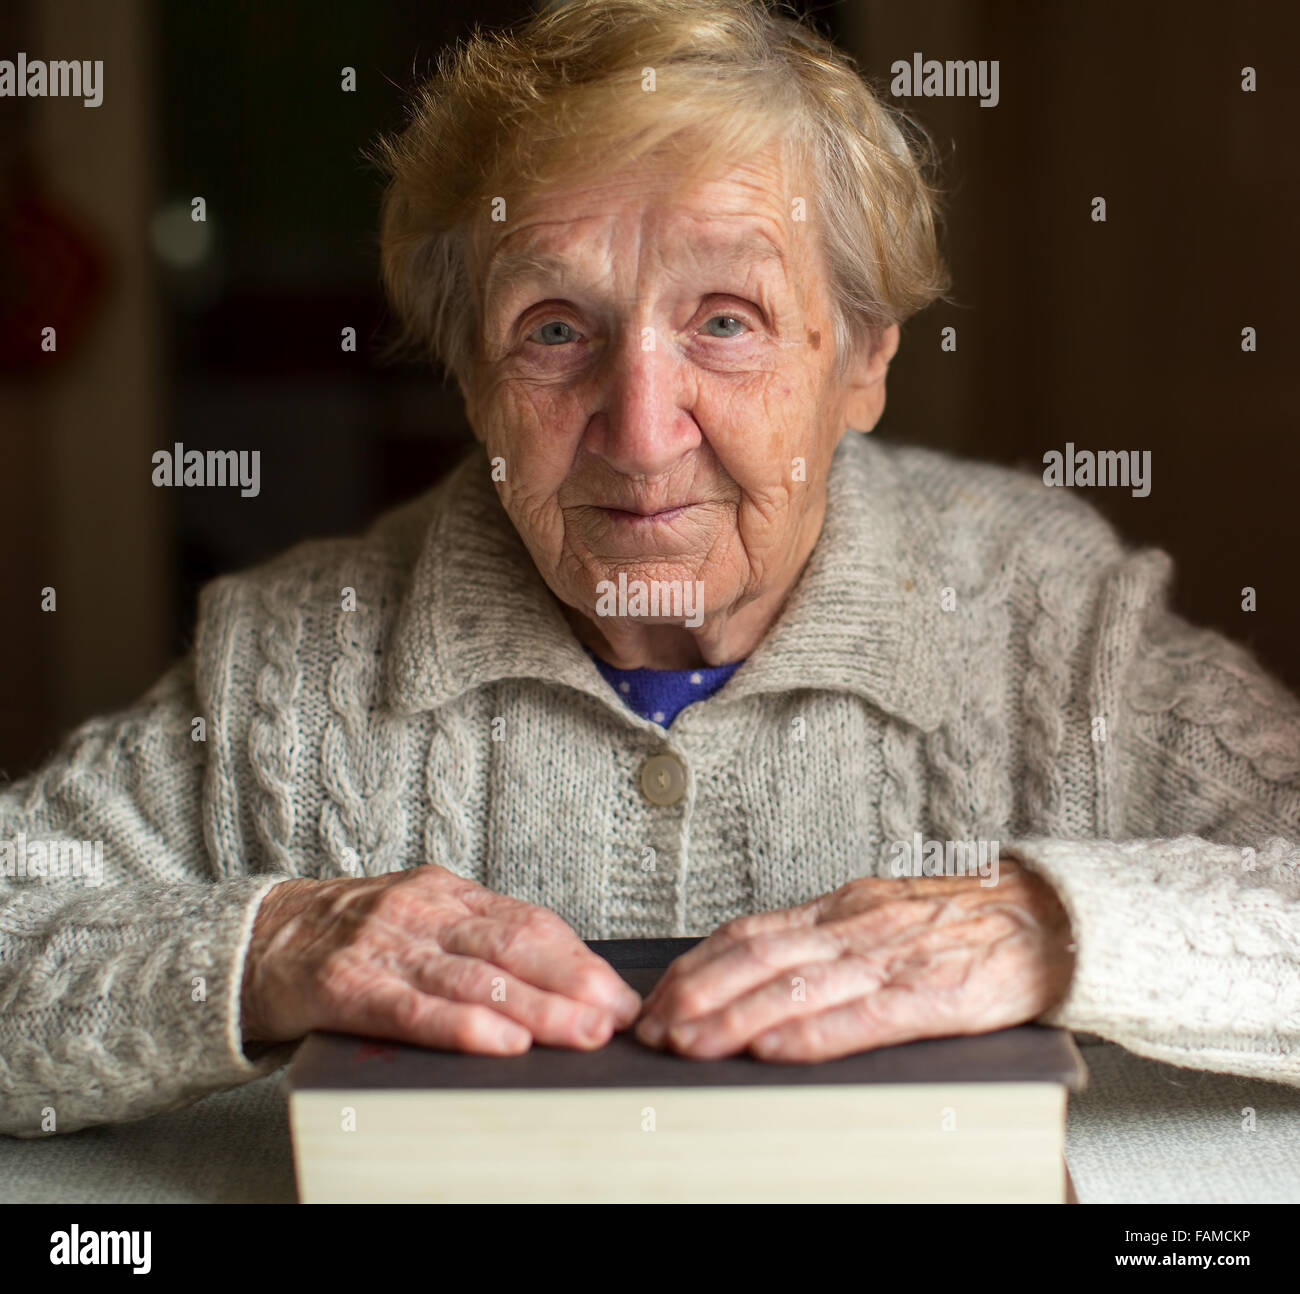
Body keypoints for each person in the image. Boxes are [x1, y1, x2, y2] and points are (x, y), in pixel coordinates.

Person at [3, 0, 1298, 1138]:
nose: (638, 428)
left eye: (725, 322)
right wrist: (273, 948)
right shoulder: (302, 657)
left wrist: (1047, 925)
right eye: (554, 328)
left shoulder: (1052, 621)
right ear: (470, 376)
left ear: (862, 360)